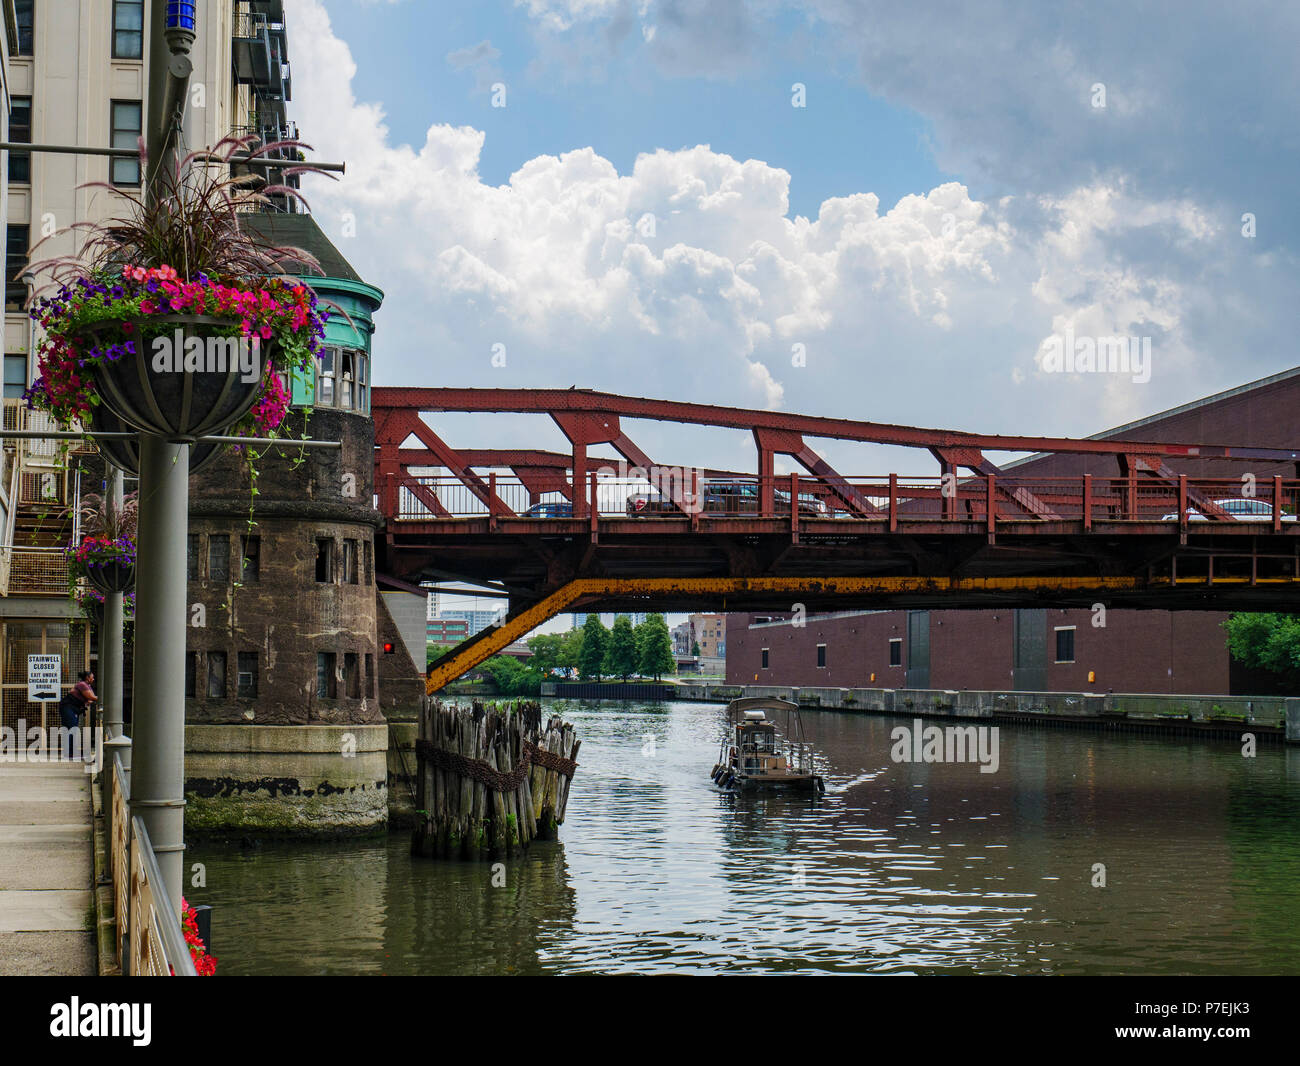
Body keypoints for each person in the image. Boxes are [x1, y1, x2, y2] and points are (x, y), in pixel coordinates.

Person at [59, 671, 97, 762]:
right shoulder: (82, 684)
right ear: (87, 677)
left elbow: (89, 699)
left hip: (72, 708)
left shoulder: (87, 686)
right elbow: (91, 697)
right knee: (72, 729)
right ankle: (70, 753)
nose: (93, 679)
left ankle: (70, 752)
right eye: (92, 677)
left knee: (72, 729)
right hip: (68, 708)